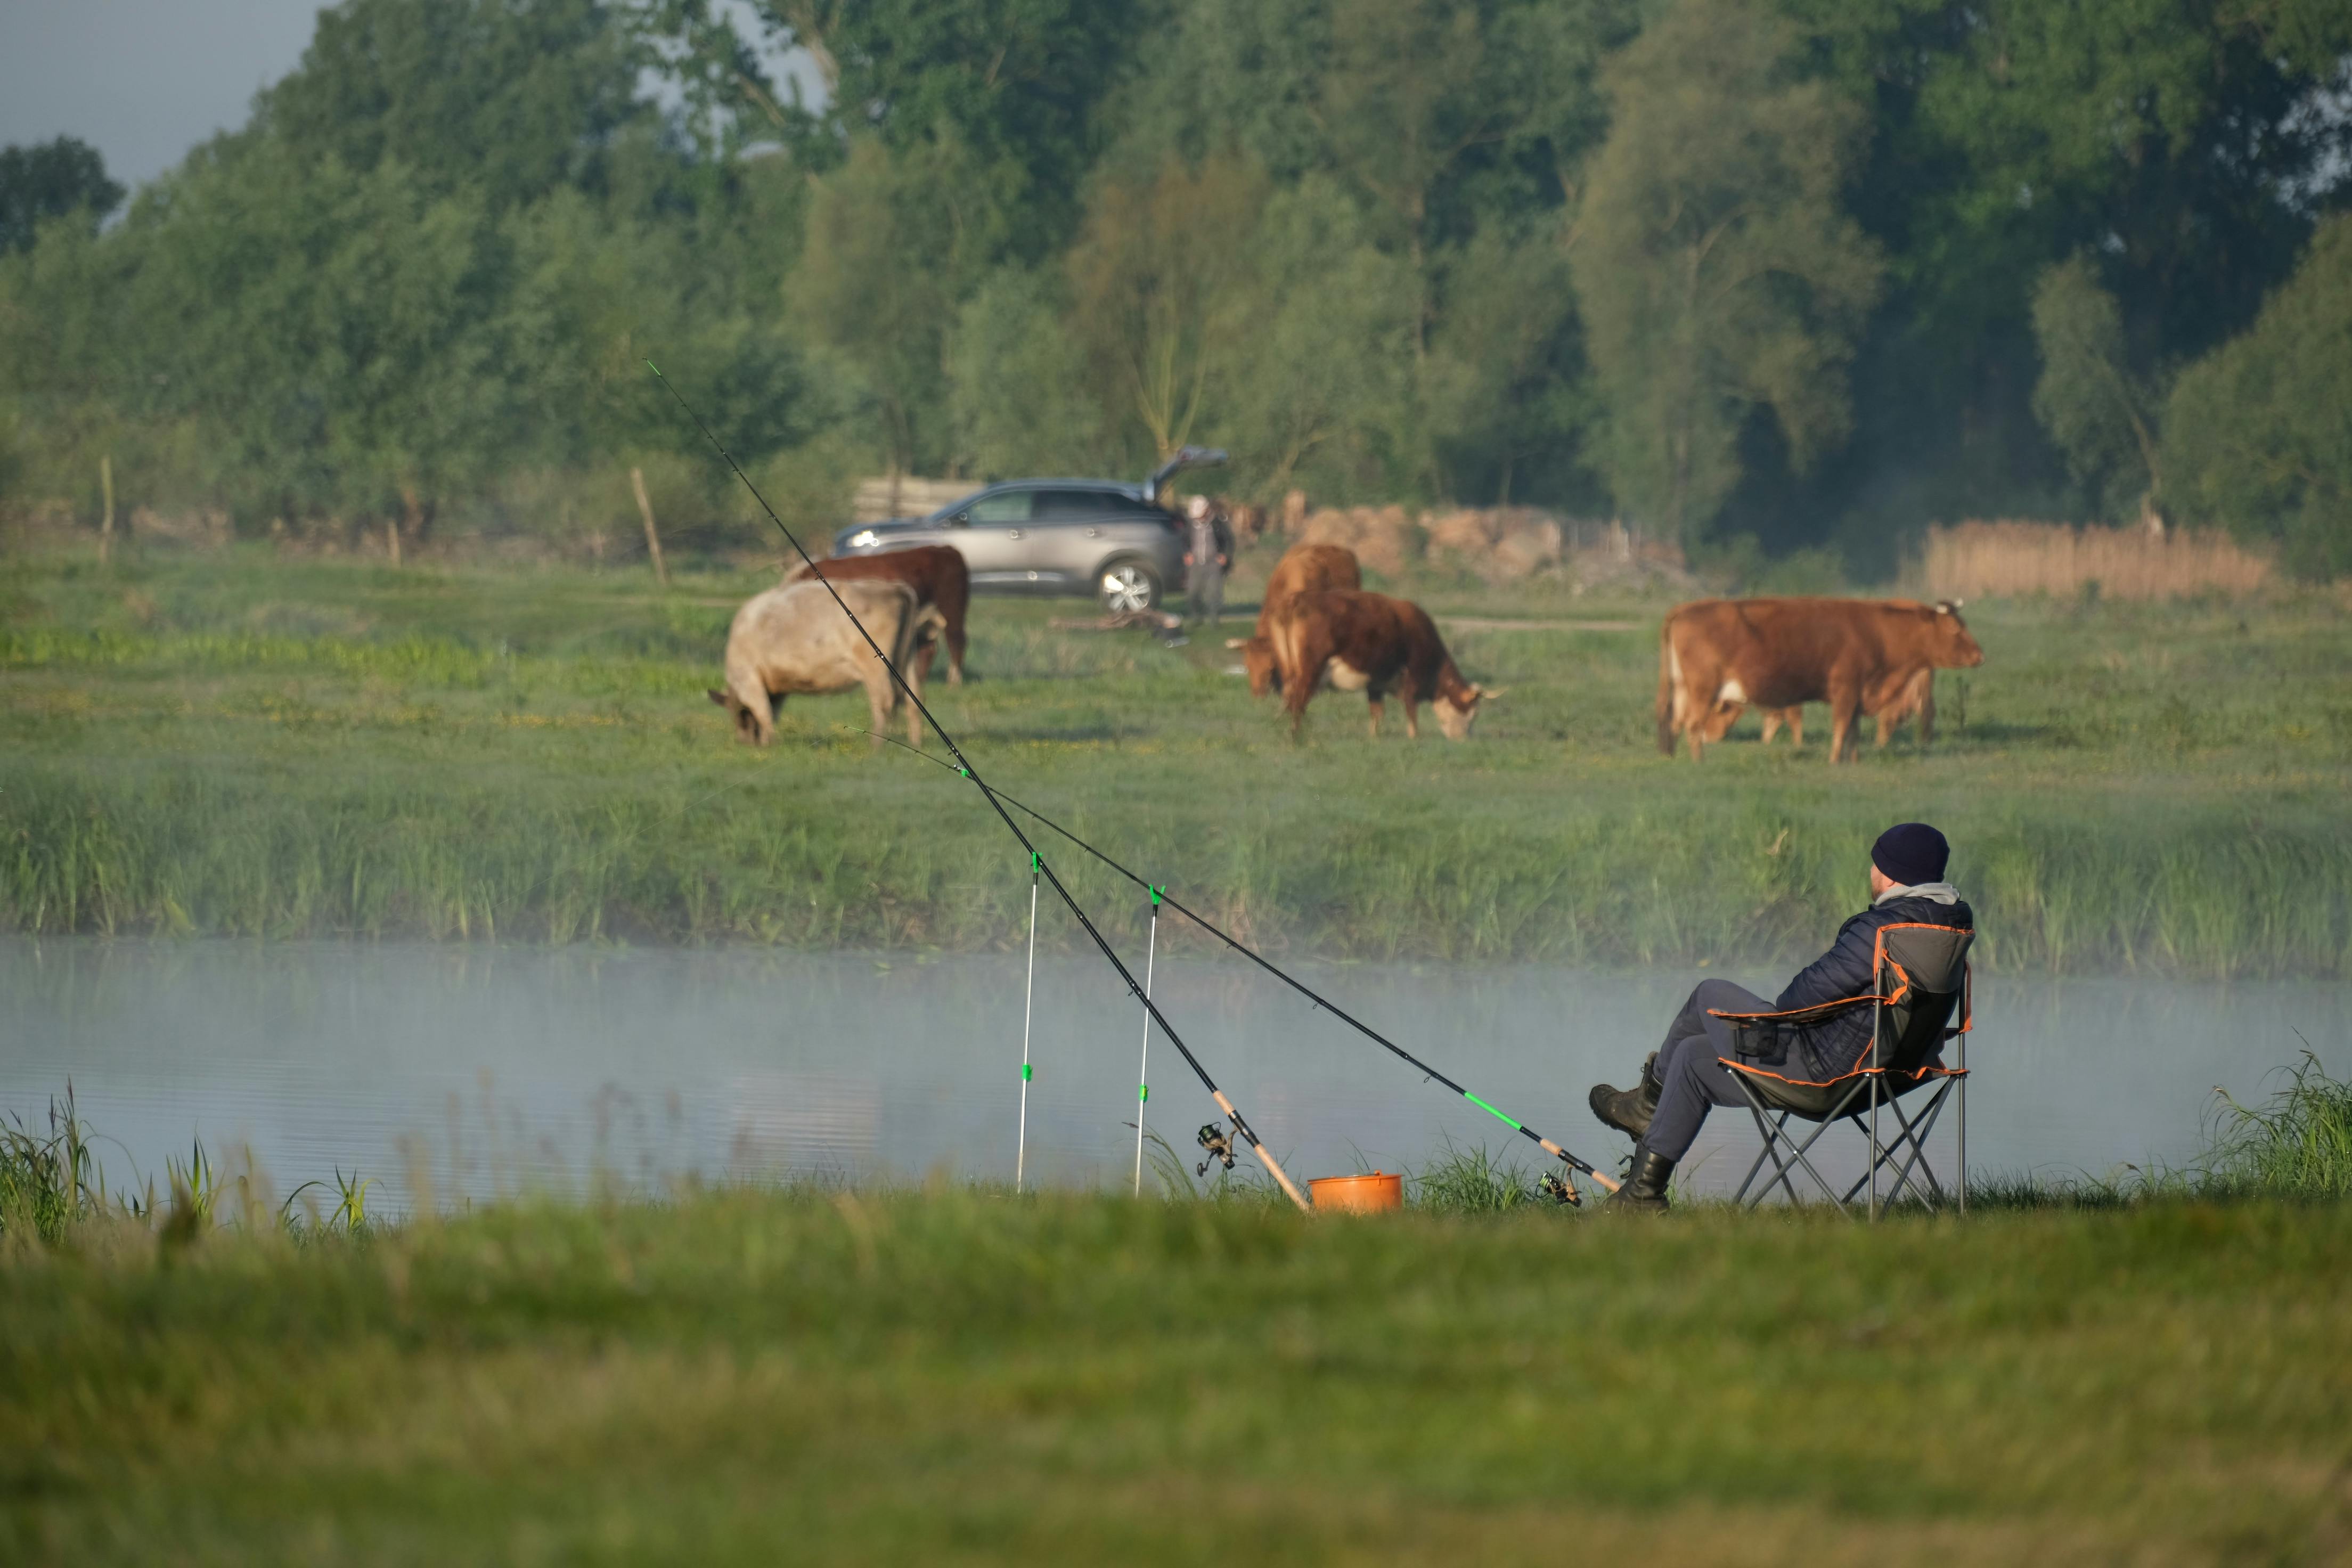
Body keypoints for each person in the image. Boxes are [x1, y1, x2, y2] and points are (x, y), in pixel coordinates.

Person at [1589, 822, 1974, 1211]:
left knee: (1708, 994)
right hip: (1893, 1075)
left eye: (1876, 864)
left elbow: (1797, 1001)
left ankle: (1645, 1109)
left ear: (1892, 875)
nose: (1871, 872)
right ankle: (1641, 1196)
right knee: (1692, 1056)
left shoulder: (1884, 930)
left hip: (1827, 1078)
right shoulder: (1952, 926)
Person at [1182, 494, 1232, 626]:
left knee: (1214, 592)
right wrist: (1187, 553)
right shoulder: (1189, 525)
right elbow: (1183, 541)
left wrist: (1224, 555)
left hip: (1213, 563)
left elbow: (1228, 540)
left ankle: (1214, 619)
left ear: (1207, 510)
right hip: (1196, 563)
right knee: (1193, 592)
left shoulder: (1218, 523)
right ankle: (1196, 617)